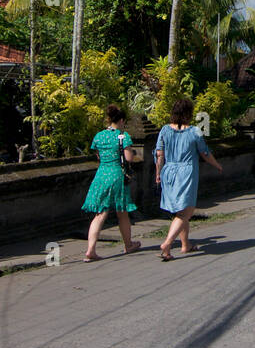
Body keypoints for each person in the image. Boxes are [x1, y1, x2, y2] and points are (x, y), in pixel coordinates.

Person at [155, 97, 223, 261]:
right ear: (189, 114)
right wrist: (217, 165)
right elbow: (205, 153)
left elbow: (159, 154)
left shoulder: (165, 130)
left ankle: (185, 244)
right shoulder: (194, 131)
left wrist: (158, 173)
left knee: (180, 210)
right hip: (186, 173)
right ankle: (167, 243)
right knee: (187, 211)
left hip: (169, 171)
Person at [81, 104, 142, 262]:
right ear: (121, 120)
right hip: (117, 176)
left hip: (101, 175)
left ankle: (90, 249)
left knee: (100, 213)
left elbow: (99, 157)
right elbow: (128, 158)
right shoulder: (123, 136)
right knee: (122, 212)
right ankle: (128, 244)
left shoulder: (99, 136)